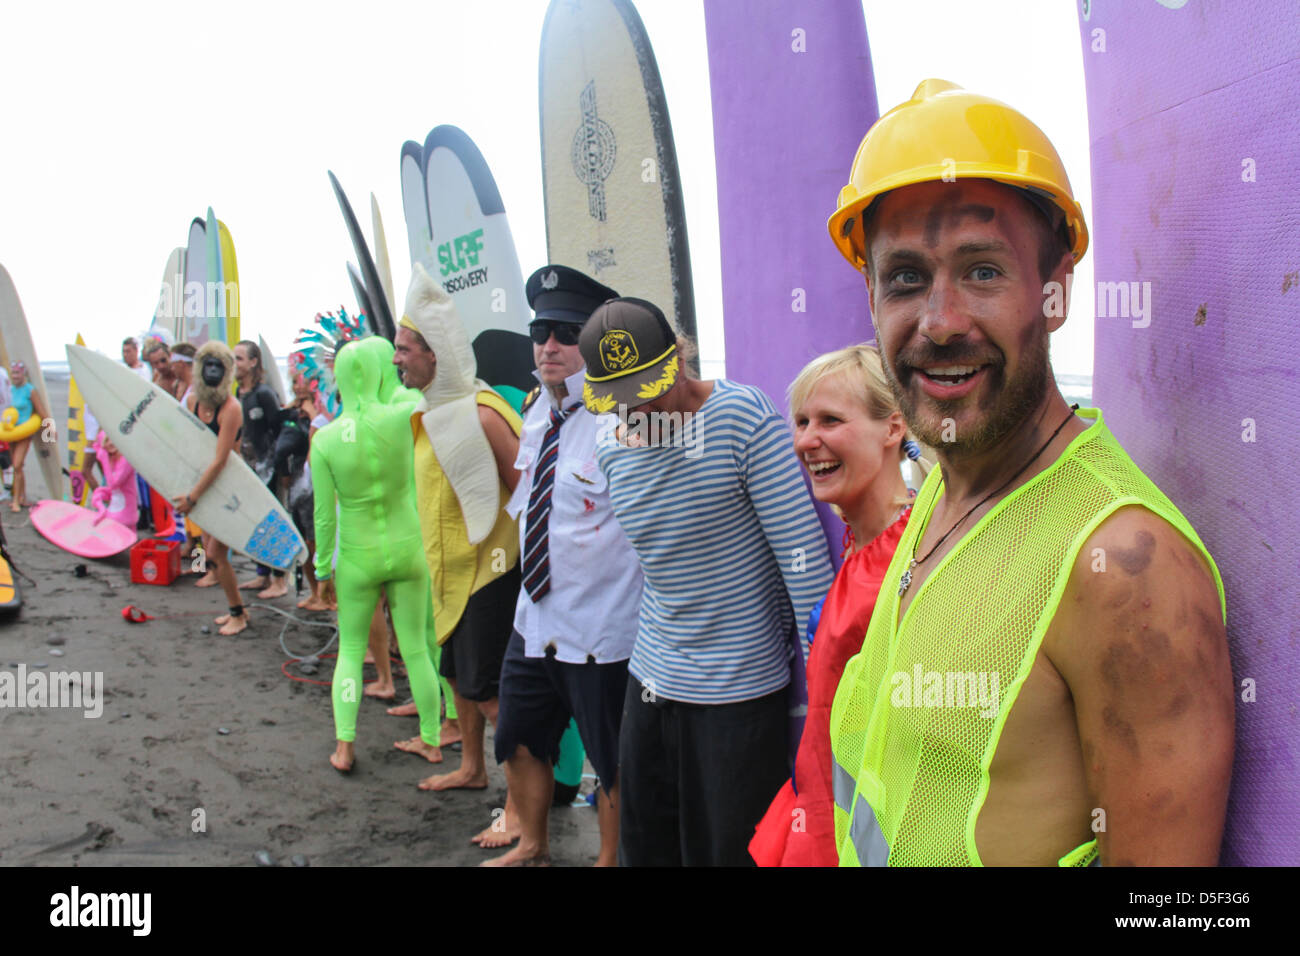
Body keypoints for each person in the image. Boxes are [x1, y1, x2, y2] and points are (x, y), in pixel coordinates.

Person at [825, 79, 1233, 867]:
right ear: (871, 295)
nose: (940, 322)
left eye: (983, 271)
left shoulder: (1121, 571)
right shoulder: (948, 477)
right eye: (905, 278)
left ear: (1055, 292)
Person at [578, 297, 835, 867]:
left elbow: (803, 565)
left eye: (648, 392)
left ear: (679, 356)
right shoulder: (609, 446)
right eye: (620, 402)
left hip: (736, 697)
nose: (636, 411)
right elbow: (658, 569)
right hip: (649, 682)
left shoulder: (743, 418)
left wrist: (828, 697)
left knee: (729, 855)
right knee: (644, 852)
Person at [748, 345, 931, 866]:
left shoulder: (909, 560)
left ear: (894, 428)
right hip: (825, 806)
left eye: (830, 420)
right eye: (802, 421)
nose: (807, 440)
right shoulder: (868, 541)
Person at [486, 265, 635, 867]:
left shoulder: (625, 421)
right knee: (518, 739)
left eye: (567, 332)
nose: (549, 345)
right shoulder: (536, 411)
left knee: (613, 761)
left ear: (594, 343)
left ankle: (607, 861)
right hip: (536, 618)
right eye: (541, 330)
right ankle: (533, 845)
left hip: (603, 628)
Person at [392, 264, 523, 835]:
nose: (396, 358)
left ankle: (519, 808)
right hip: (450, 575)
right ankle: (472, 767)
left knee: (491, 695)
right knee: (458, 680)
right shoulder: (431, 411)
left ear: (434, 353)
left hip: (490, 576)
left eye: (404, 349)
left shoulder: (483, 412)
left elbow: (529, 495)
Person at [310, 336, 444, 776]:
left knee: (350, 650)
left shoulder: (325, 439)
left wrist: (322, 570)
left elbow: (323, 517)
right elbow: (427, 393)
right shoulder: (405, 414)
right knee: (418, 650)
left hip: (357, 554)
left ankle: (344, 748)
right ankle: (431, 739)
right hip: (409, 547)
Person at [175, 340, 249, 635]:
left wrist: (192, 498)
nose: (213, 371)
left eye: (220, 366)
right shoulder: (193, 401)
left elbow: (221, 460)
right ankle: (237, 610)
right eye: (209, 365)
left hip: (231, 487)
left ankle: (238, 615)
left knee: (216, 553)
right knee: (209, 550)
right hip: (205, 483)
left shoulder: (231, 408)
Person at [234, 340, 287, 599]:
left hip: (268, 467)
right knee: (256, 520)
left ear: (253, 362)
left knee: (273, 520)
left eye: (240, 358)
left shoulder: (264, 394)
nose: (235, 364)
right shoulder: (238, 393)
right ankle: (261, 574)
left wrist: (280, 470)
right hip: (249, 466)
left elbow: (279, 431)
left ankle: (280, 579)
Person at [4, 361, 51, 511]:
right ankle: (22, 496)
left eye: (17, 373)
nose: (14, 376)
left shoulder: (30, 391)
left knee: (17, 464)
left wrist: (50, 431)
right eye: (13, 373)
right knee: (17, 467)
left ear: (23, 374)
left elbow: (41, 412)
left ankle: (16, 501)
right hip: (12, 432)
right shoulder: (10, 390)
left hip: (24, 432)